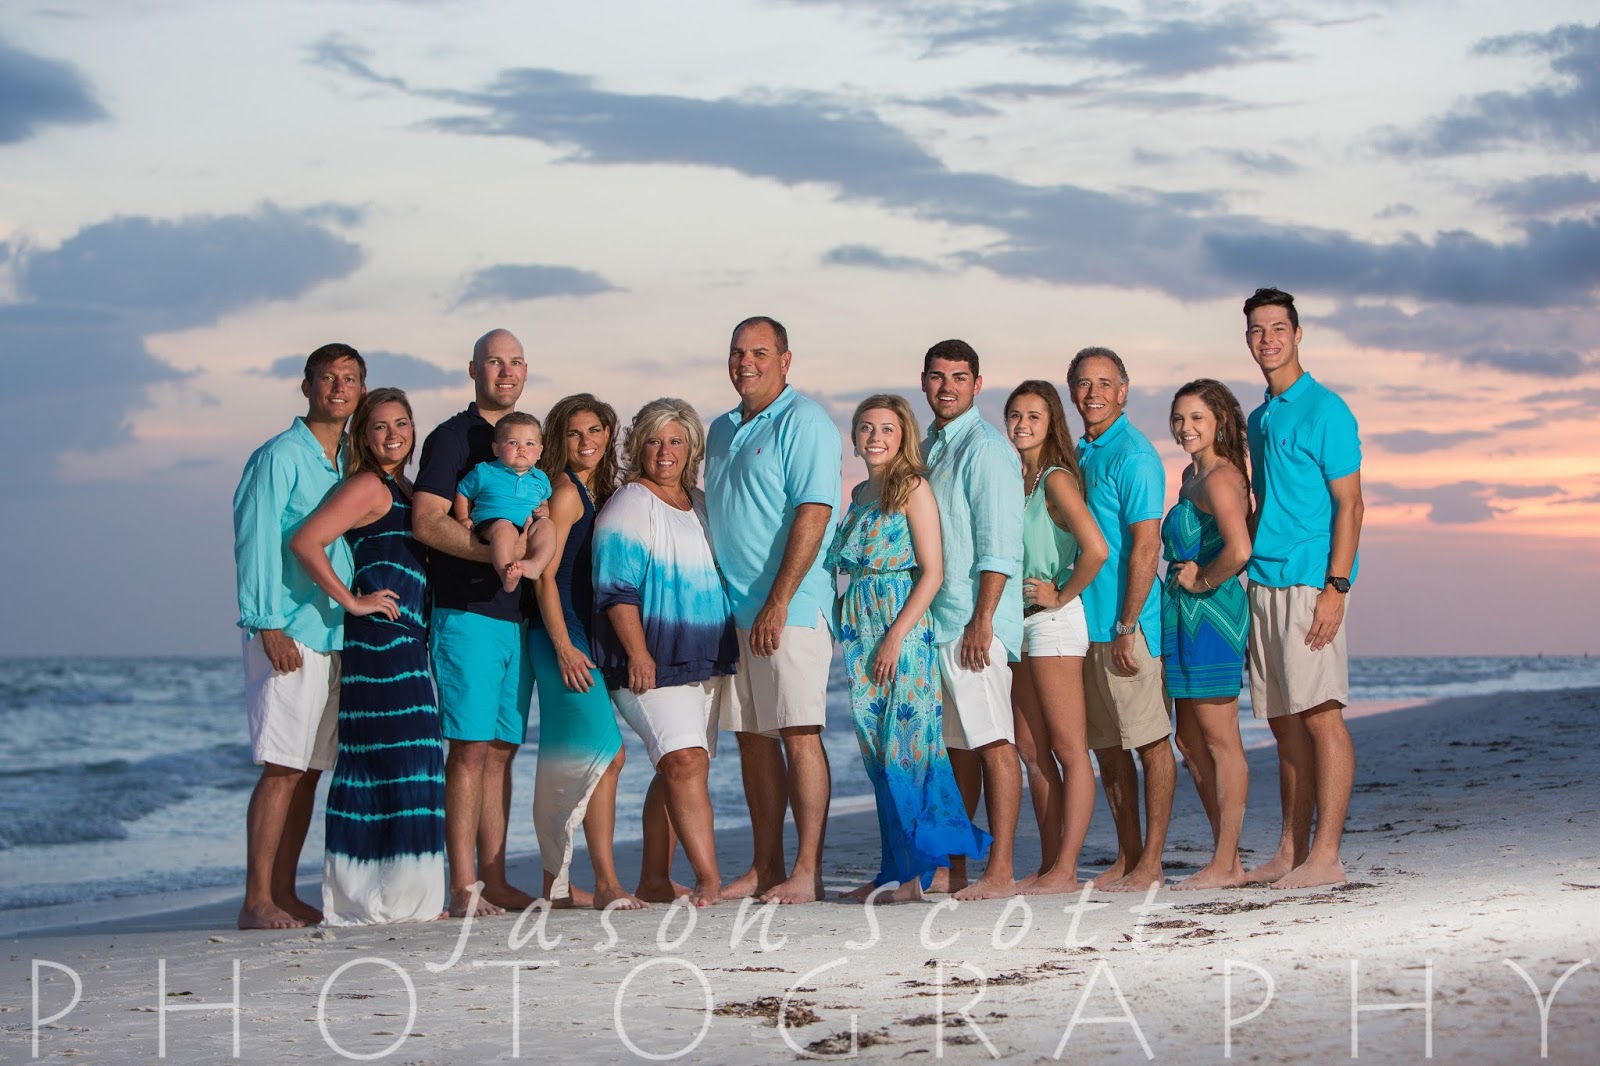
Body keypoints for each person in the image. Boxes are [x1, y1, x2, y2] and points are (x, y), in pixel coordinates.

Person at [411, 328, 555, 917]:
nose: (506, 371)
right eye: (494, 362)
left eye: (516, 362)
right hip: (465, 613)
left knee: (500, 750)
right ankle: (463, 885)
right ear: (474, 369)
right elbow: (427, 521)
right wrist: (501, 555)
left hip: (513, 619)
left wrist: (526, 561)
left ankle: (494, 881)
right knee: (468, 750)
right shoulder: (453, 438)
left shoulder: (526, 440)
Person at [290, 388, 446, 924]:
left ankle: (407, 896)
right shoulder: (367, 486)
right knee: (391, 763)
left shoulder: (405, 487)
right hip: (379, 644)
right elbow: (306, 540)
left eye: (402, 423)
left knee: (415, 760)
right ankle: (372, 898)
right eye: (380, 425)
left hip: (407, 642)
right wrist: (353, 600)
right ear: (363, 433)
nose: (393, 434)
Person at [829, 395, 991, 903]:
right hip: (861, 633)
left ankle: (918, 878)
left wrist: (894, 637)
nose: (875, 437)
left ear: (904, 437)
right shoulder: (857, 494)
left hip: (898, 630)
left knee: (909, 751)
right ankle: (892, 873)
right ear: (855, 436)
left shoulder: (912, 488)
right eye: (866, 428)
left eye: (887, 429)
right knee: (878, 757)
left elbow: (933, 571)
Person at [705, 316, 841, 905]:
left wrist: (779, 601)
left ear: (786, 360)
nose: (746, 362)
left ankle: (807, 872)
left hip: (791, 609)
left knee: (798, 732)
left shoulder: (805, 421)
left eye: (760, 352)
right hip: (732, 611)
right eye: (737, 352)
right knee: (753, 738)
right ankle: (766, 866)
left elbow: (814, 513)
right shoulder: (720, 428)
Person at [232, 342, 366, 929]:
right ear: (306, 386)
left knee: (310, 769)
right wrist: (266, 623)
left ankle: (283, 892)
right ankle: (256, 899)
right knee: (282, 766)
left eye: (350, 379)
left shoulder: (343, 463)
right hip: (288, 629)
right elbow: (255, 538)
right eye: (328, 378)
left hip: (332, 632)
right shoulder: (280, 456)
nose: (338, 388)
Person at [1239, 287, 1364, 890]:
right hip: (1263, 581)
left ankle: (1328, 856)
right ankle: (1290, 850)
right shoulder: (1260, 419)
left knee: (1322, 717)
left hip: (1312, 581)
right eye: (1257, 330)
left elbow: (1350, 503)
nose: (1268, 339)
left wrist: (1337, 586)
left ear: (1297, 333)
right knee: (1285, 721)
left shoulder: (1327, 410)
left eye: (1278, 328)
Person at [593, 399, 739, 909]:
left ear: (692, 448)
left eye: (676, 440)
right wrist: (636, 651)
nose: (665, 451)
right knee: (684, 760)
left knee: (676, 766)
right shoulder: (631, 501)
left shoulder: (698, 502)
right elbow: (614, 587)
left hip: (703, 658)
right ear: (638, 445)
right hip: (652, 659)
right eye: (654, 440)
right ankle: (709, 880)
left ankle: (655, 878)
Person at [528, 394, 644, 910]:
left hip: (579, 636)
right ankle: (607, 885)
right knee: (605, 753)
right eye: (575, 433)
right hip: (562, 637)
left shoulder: (598, 490)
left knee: (572, 758)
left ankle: (555, 886)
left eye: (595, 431)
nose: (587, 442)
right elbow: (545, 577)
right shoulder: (565, 493)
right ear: (560, 438)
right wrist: (563, 647)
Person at [919, 339, 1024, 901]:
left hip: (972, 624)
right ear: (924, 381)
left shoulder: (984, 448)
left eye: (959, 377)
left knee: (993, 743)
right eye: (938, 376)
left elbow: (998, 543)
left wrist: (984, 618)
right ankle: (954, 868)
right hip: (939, 621)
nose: (948, 386)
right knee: (957, 750)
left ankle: (1001, 870)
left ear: (977, 384)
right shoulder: (933, 446)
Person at [1069, 346, 1176, 893]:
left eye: (1104, 383)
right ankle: (1128, 855)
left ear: (1124, 390)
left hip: (1126, 626)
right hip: (1083, 625)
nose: (1093, 394)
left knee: (1150, 741)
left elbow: (1145, 545)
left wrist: (1128, 624)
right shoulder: (1081, 453)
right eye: (1084, 384)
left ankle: (1152, 863)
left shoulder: (1133, 454)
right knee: (1107, 746)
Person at [1003, 380, 1109, 896]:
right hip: (1016, 623)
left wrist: (1061, 595)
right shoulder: (1014, 481)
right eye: (1016, 415)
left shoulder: (1055, 480)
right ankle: (1049, 866)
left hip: (1053, 624)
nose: (1023, 425)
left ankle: (1067, 870)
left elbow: (1096, 548)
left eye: (1034, 417)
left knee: (1069, 749)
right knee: (1030, 745)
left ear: (1051, 425)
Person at [1161, 379, 1253, 891]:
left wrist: (1202, 579)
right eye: (1178, 418)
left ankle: (1224, 863)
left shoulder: (1219, 478)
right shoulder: (1189, 476)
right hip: (1181, 614)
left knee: (1220, 741)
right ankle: (1229, 857)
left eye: (1196, 417)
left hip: (1212, 613)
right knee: (1189, 739)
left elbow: (1238, 550)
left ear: (1218, 420)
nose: (1185, 428)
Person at [453, 412, 553, 594]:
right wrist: (462, 518)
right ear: (496, 449)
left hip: (528, 524)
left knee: (548, 526)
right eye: (513, 442)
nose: (521, 448)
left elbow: (544, 499)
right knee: (504, 530)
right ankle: (506, 575)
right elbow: (463, 492)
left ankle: (537, 564)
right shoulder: (485, 471)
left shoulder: (541, 478)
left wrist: (544, 510)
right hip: (493, 521)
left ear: (539, 452)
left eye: (529, 444)